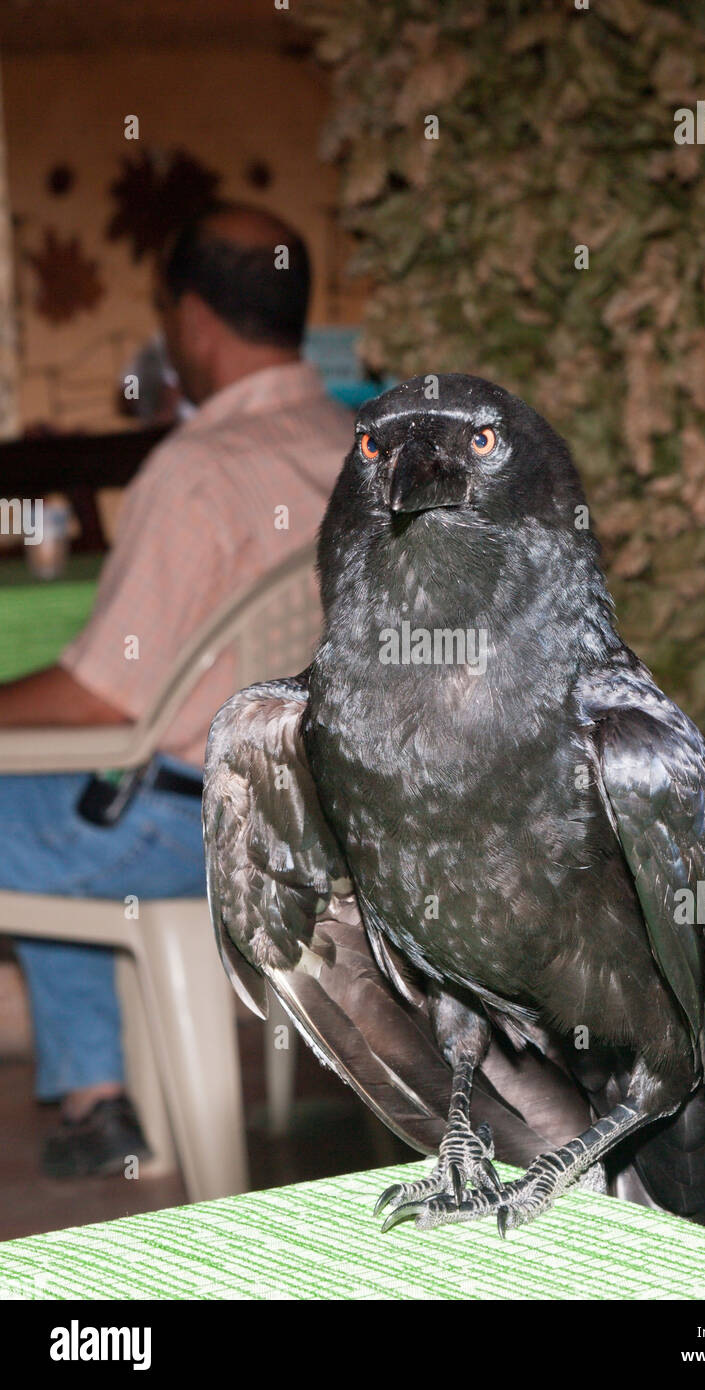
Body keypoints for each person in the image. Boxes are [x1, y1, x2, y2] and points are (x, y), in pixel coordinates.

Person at [0, 202, 351, 1177]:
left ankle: (97, 1099)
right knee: (47, 796)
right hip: (315, 822)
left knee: (49, 795)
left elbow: (100, 701)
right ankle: (93, 1103)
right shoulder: (351, 443)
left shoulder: (200, 469)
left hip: (179, 828)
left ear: (192, 320)